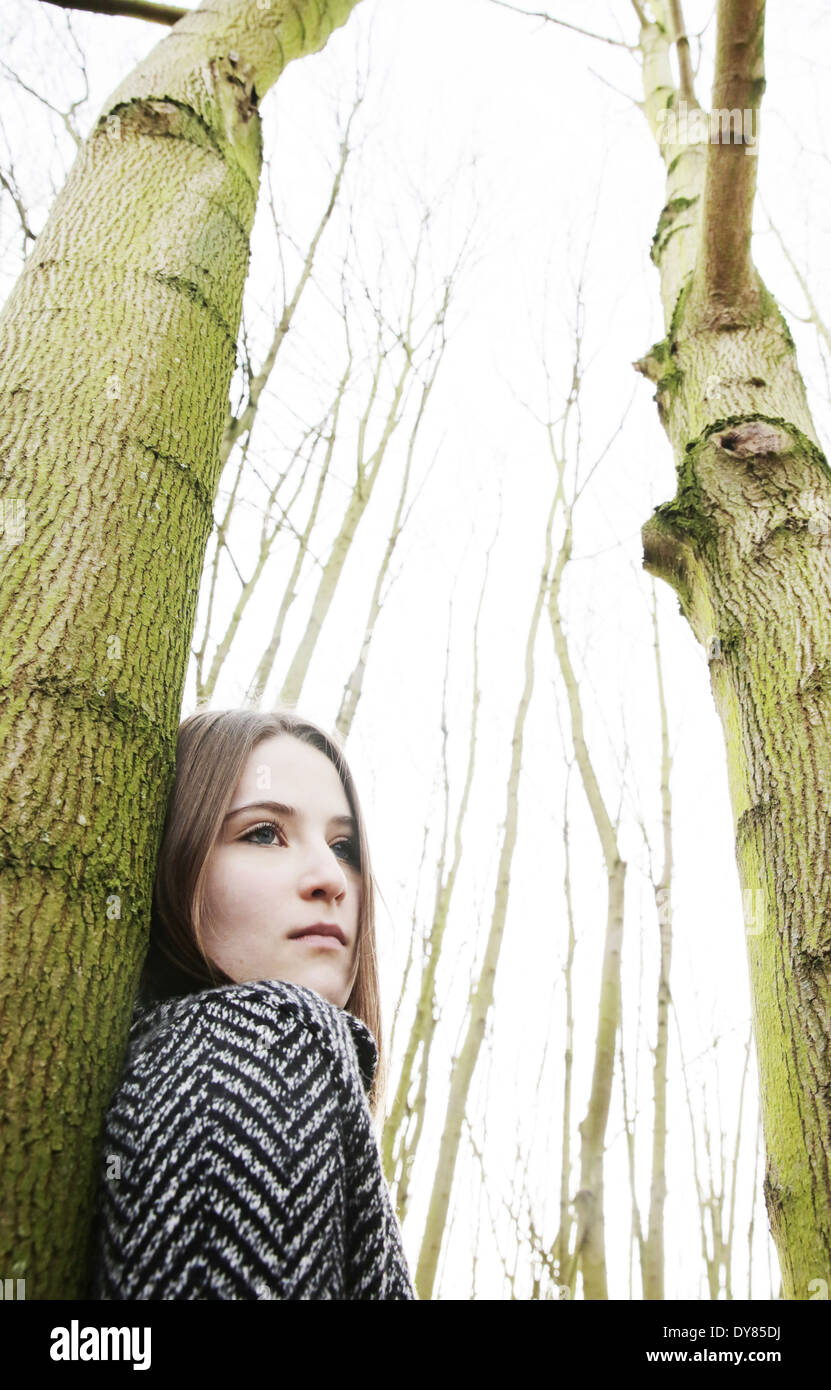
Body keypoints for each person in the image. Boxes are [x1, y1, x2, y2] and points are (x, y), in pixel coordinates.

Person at [87, 708, 416, 1300]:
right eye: (264, 832)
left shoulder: (167, 1060)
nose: (330, 878)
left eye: (344, 847)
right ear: (172, 865)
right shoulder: (266, 1037)